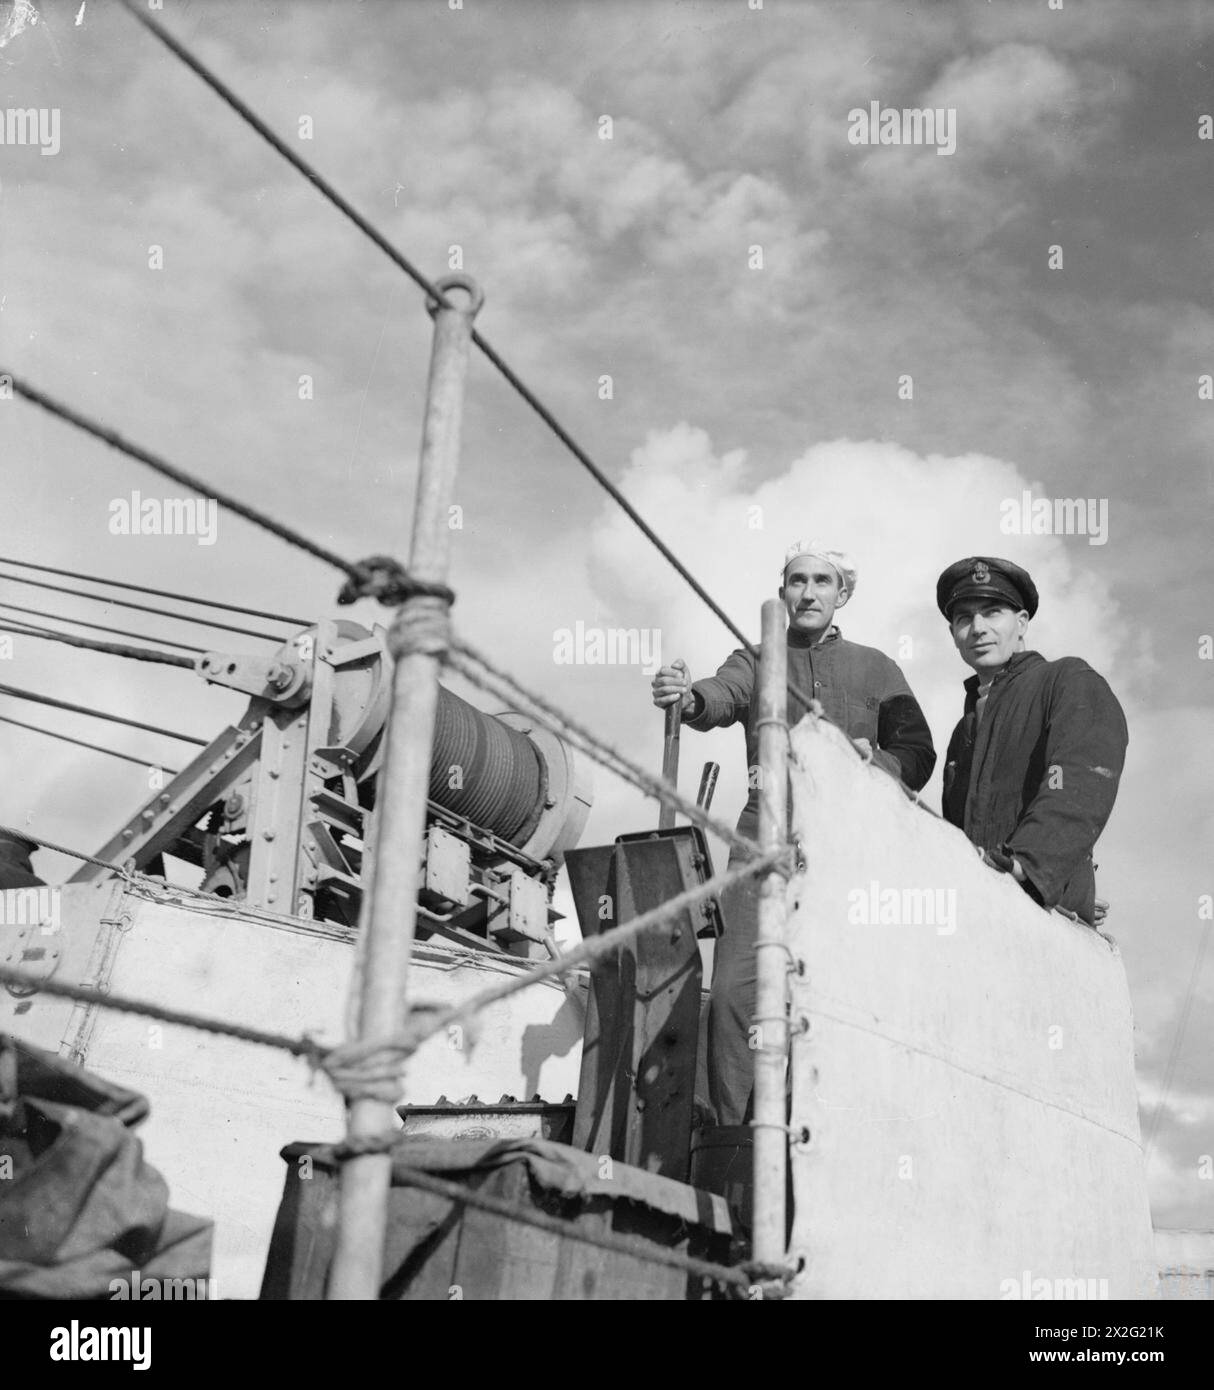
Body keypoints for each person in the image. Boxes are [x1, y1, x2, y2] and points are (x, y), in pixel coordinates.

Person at [651, 541, 936, 1126]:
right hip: (764, 837)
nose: (808, 593)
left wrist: (873, 766)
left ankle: (829, 1144)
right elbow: (717, 697)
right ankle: (736, 1146)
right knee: (734, 994)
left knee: (842, 997)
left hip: (852, 844)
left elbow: (919, 750)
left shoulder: (878, 667)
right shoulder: (756, 658)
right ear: (782, 592)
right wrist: (688, 695)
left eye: (822, 582)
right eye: (797, 581)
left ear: (843, 594)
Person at [936, 556, 1127, 926]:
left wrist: (1032, 864)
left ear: (1021, 623)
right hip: (976, 917)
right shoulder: (963, 731)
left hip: (1046, 915)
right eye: (964, 618)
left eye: (992, 612)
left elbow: (1081, 776)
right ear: (954, 634)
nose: (978, 628)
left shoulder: (1066, 680)